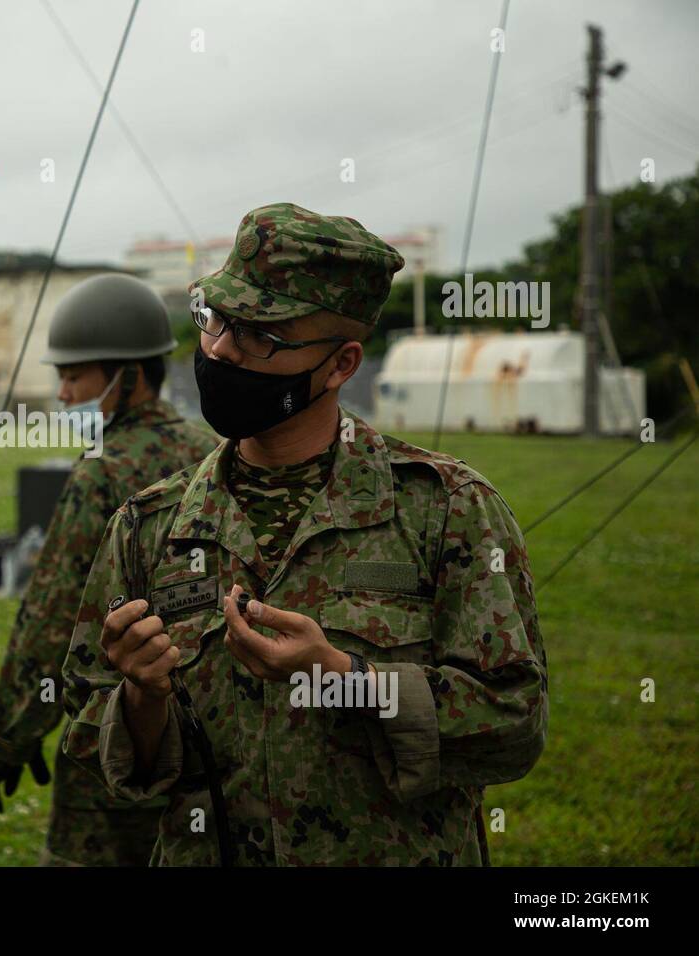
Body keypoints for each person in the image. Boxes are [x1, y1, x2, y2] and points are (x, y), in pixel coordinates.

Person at [61, 204, 548, 866]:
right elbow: (96, 745)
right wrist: (143, 698)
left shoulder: (449, 510)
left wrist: (344, 678)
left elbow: (513, 727)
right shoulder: (152, 527)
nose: (223, 350)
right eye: (220, 321)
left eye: (263, 336)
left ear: (341, 364)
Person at [0, 273, 218, 865]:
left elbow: (55, 613)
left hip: (114, 732)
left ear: (130, 375)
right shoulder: (214, 452)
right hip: (214, 735)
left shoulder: (100, 473)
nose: (62, 394)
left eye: (73, 375)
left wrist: (12, 733)